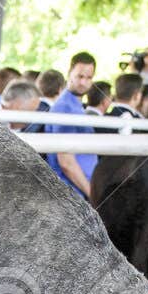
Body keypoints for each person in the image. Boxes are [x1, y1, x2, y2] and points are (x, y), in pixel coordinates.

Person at [44, 51, 96, 198]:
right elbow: (66, 162)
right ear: (69, 73)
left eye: (88, 78)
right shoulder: (64, 107)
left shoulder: (75, 106)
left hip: (76, 191)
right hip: (71, 193)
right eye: (80, 76)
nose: (83, 82)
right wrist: (93, 194)